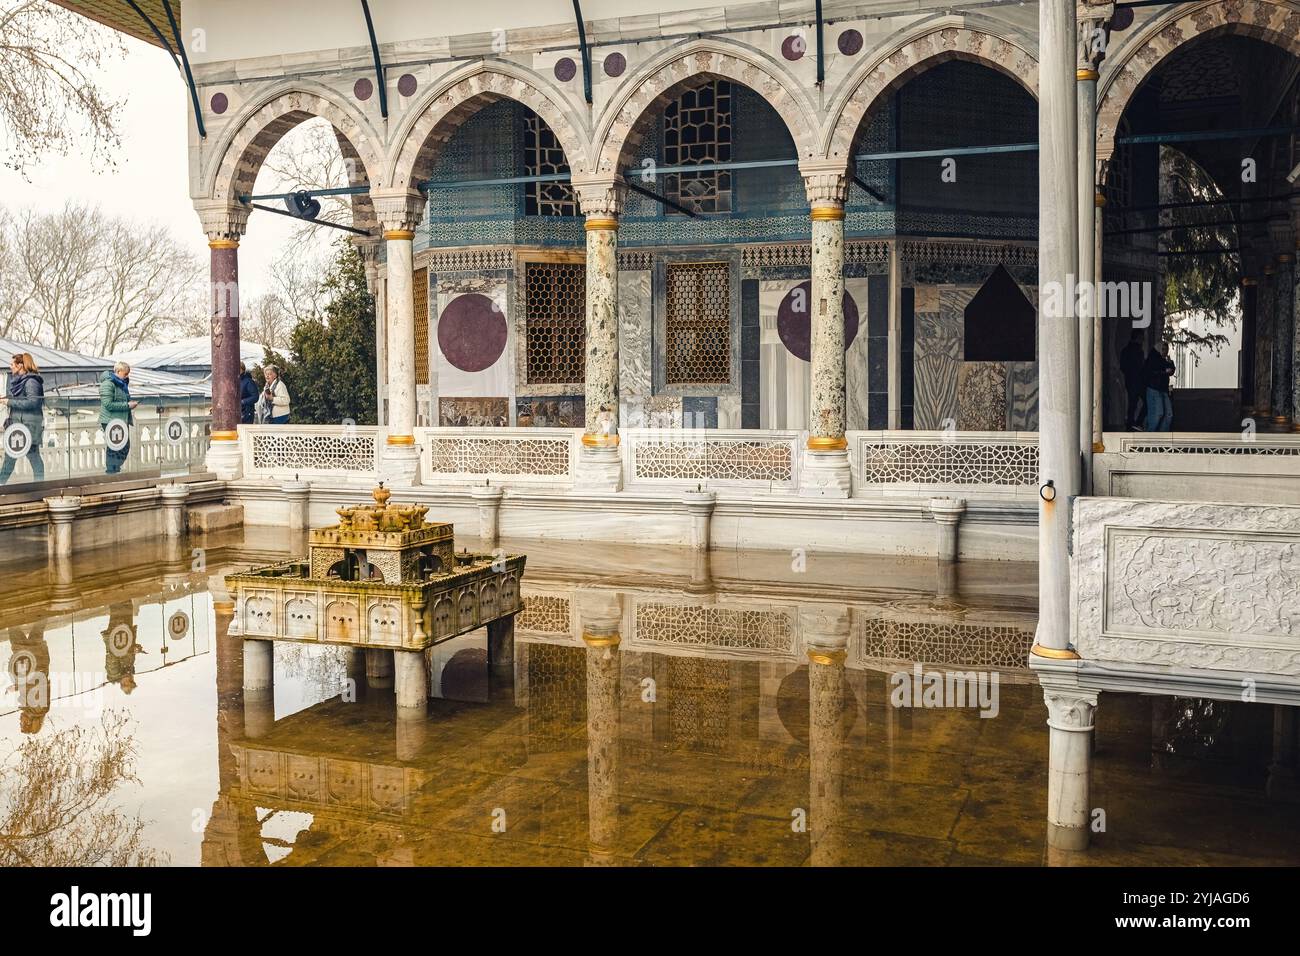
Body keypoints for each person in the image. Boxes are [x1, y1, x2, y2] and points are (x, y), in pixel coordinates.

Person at [0, 353, 45, 484]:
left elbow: (33, 402)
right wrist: (6, 398)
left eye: (12, 364)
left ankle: (40, 486)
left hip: (28, 427)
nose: (10, 367)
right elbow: (23, 398)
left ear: (20, 366)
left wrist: (9, 402)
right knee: (12, 458)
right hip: (20, 426)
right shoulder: (22, 381)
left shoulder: (31, 382)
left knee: (33, 458)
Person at [99, 361, 139, 474]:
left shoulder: (121, 384)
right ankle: (112, 470)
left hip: (119, 420)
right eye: (125, 374)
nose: (127, 376)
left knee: (122, 446)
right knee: (115, 446)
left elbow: (121, 399)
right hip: (111, 420)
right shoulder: (108, 384)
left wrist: (129, 403)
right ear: (118, 371)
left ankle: (115, 469)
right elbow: (108, 404)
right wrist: (127, 405)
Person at [1144, 339, 1176, 433]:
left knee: (1168, 414)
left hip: (1163, 389)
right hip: (1154, 389)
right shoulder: (1153, 359)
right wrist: (1164, 371)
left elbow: (1171, 371)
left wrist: (1170, 363)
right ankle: (1150, 434)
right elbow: (1151, 372)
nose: (1165, 351)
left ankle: (1162, 437)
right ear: (1158, 349)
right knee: (1158, 413)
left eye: (1166, 349)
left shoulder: (1163, 360)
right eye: (1163, 349)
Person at [1119, 330, 1146, 430]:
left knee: (1132, 403)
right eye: (1142, 338)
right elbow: (1141, 367)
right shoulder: (1138, 351)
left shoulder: (1125, 350)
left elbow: (1123, 366)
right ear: (1138, 338)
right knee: (1141, 402)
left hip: (1130, 380)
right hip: (1137, 380)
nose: (1143, 340)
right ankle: (1135, 423)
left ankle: (1131, 424)